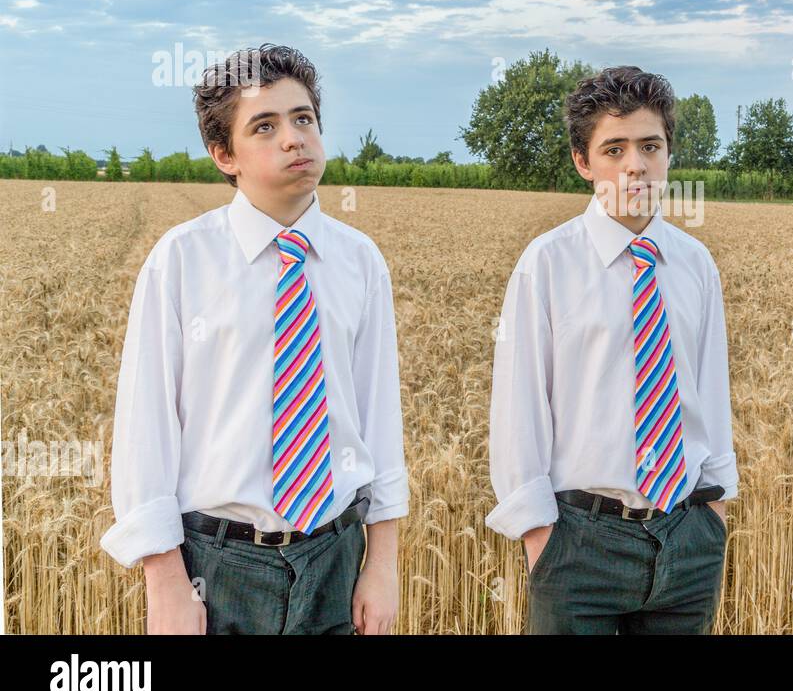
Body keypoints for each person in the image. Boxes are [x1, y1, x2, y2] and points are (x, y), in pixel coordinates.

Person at [99, 44, 409, 634]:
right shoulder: (181, 261)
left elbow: (379, 417)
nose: (293, 138)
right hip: (218, 565)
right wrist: (166, 582)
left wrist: (383, 564)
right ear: (224, 155)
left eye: (303, 119)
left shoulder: (360, 261)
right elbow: (146, 428)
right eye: (264, 127)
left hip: (335, 557)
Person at [485, 65, 738, 634]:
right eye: (614, 148)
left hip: (687, 536)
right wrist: (541, 538)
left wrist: (715, 515)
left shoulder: (695, 264)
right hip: (580, 542)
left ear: (669, 153)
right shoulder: (547, 264)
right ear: (583, 162)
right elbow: (519, 406)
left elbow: (710, 393)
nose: (635, 165)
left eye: (650, 145)